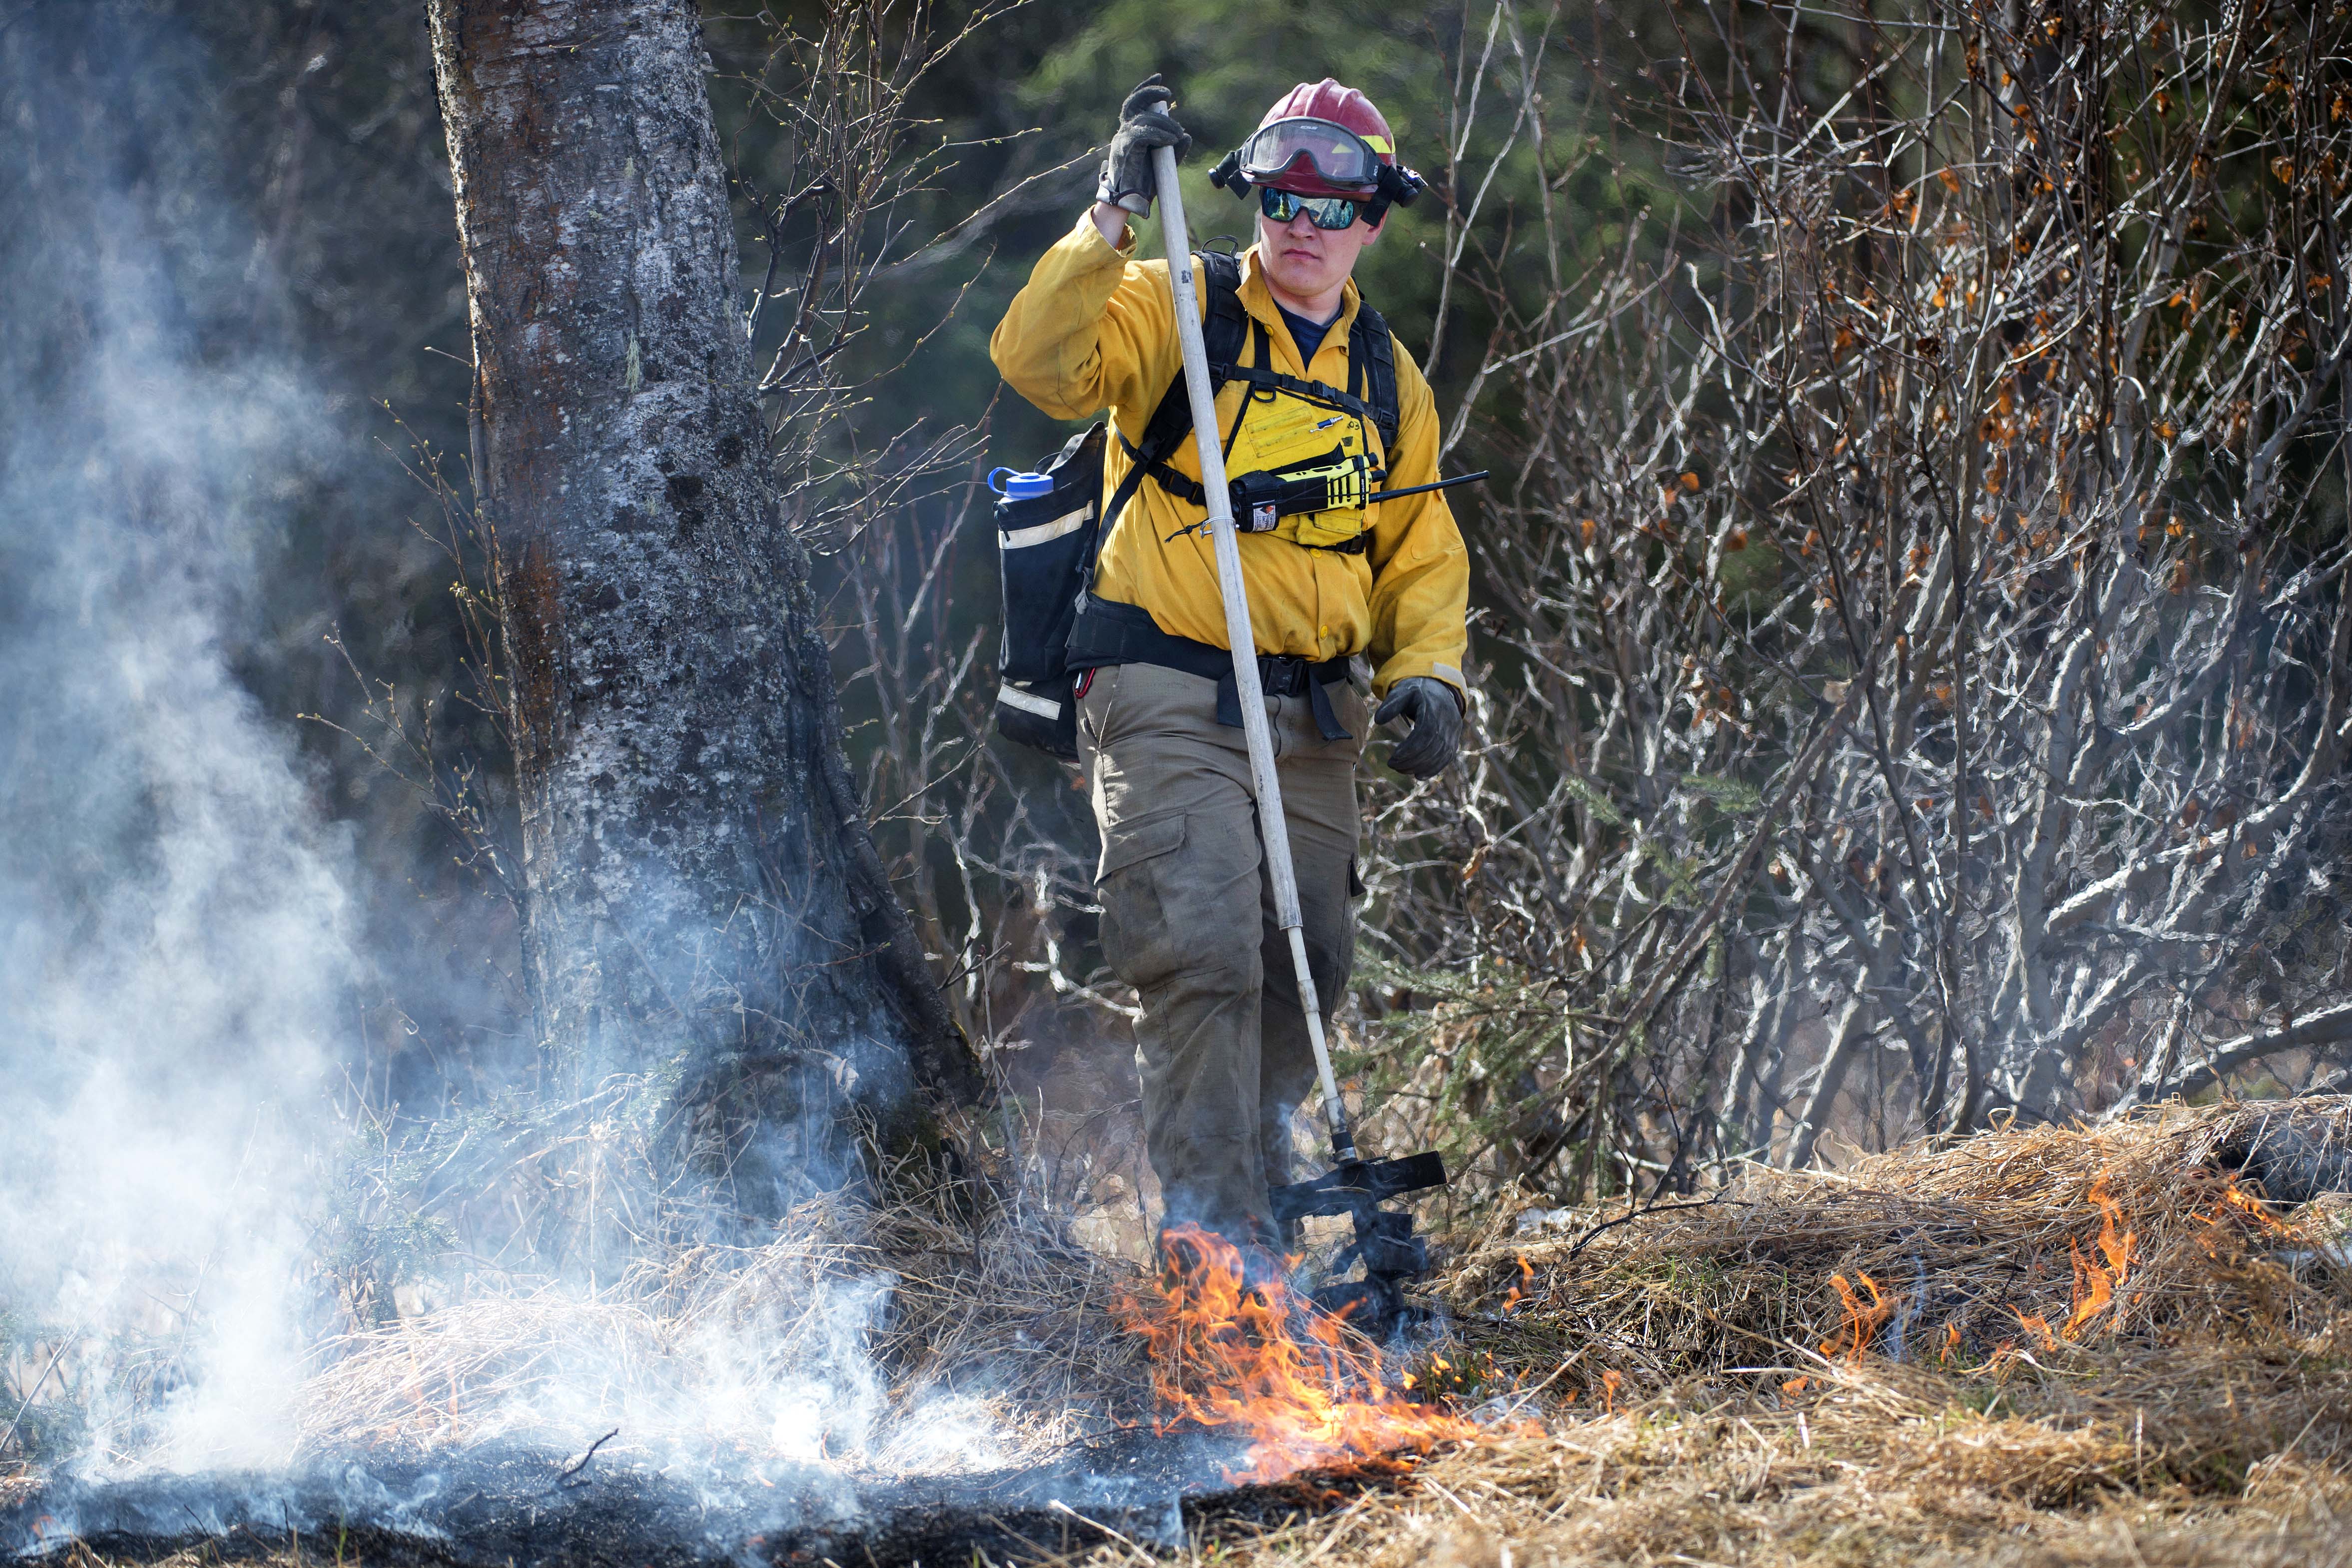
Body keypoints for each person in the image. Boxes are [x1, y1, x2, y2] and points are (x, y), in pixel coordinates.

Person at [990, 76, 1469, 1263]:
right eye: (1281, 197)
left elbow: (1419, 556)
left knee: (1306, 960)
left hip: (1312, 711)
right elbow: (1038, 363)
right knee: (1198, 949)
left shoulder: (1384, 379)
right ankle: (1219, 1257)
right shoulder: (1173, 305)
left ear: (1372, 219)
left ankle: (1266, 1215)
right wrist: (1107, 213)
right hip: (1161, 686)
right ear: (1254, 198)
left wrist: (1430, 678)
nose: (1301, 224)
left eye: (1330, 203)